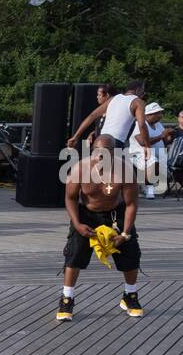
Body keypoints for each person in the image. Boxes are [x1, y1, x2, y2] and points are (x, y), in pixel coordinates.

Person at [57, 132, 144, 322]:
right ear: (92, 150)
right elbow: (70, 198)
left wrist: (125, 233)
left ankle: (130, 296)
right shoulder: (80, 169)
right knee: (74, 253)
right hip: (86, 213)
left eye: (106, 152)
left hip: (115, 213)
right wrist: (78, 224)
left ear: (114, 153)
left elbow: (131, 205)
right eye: (98, 152)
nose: (101, 156)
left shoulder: (125, 171)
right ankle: (67, 297)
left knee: (130, 252)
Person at [130, 102, 173, 199]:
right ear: (149, 114)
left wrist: (169, 136)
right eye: (157, 113)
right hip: (139, 154)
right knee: (153, 161)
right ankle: (148, 187)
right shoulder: (138, 124)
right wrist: (161, 136)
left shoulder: (158, 125)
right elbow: (142, 142)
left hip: (160, 154)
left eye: (160, 113)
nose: (160, 116)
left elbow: (165, 142)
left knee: (177, 161)